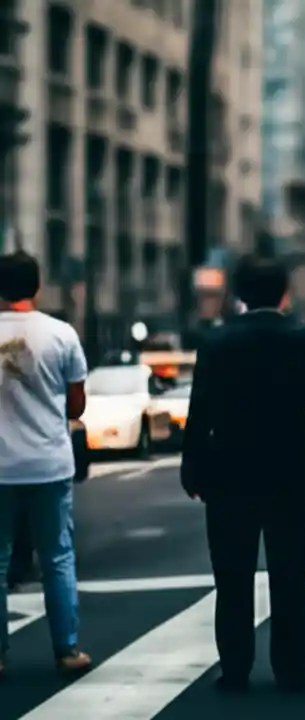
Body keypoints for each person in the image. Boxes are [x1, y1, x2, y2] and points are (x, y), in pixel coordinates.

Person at [181, 256, 305, 692]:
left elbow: (199, 410)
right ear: (284, 292)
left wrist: (193, 469)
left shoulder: (217, 341)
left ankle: (235, 668)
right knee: (289, 576)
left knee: (231, 577)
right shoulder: (303, 337)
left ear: (240, 294)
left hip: (228, 472)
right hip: (288, 471)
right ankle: (290, 670)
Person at [0, 251, 92, 679]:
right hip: (49, 463)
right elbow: (76, 403)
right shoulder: (61, 334)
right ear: (36, 287)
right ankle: (67, 649)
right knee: (57, 556)